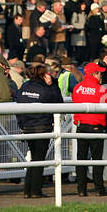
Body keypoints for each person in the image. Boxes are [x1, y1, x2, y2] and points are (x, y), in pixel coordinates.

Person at [16, 63, 62, 198]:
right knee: (39, 159)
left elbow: (18, 103)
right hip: (42, 127)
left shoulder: (25, 86)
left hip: (28, 127)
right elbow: (58, 102)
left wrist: (22, 124)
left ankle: (28, 190)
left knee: (34, 158)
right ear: (44, 75)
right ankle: (35, 190)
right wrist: (53, 84)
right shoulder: (45, 89)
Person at [71, 62, 107, 196]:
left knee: (81, 159)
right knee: (97, 159)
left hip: (81, 126)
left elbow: (75, 101)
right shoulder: (102, 89)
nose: (101, 76)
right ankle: (99, 188)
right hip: (96, 126)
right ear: (95, 74)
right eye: (100, 73)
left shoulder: (77, 88)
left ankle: (81, 189)